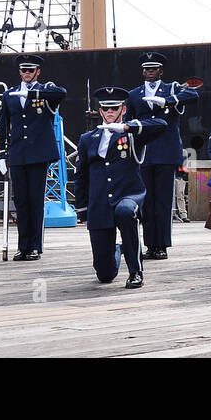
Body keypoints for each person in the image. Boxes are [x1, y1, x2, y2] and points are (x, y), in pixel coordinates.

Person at [72, 87, 167, 288]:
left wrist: (127, 127)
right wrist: (81, 208)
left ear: (123, 109)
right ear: (100, 112)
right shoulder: (88, 139)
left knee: (125, 214)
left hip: (128, 194)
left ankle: (135, 272)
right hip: (99, 201)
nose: (109, 113)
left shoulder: (132, 134)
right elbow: (81, 175)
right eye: (106, 109)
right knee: (104, 274)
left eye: (114, 108)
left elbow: (161, 125)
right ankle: (116, 250)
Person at [126, 51, 198, 260]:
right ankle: (151, 244)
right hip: (145, 153)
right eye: (146, 69)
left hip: (166, 152)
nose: (149, 72)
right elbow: (129, 121)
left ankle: (162, 245)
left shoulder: (172, 89)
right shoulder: (134, 94)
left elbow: (193, 94)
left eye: (153, 68)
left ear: (160, 70)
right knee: (147, 201)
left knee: (164, 201)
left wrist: (167, 101)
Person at [0, 54, 67, 261]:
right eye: (23, 70)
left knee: (35, 200)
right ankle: (23, 245)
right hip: (18, 154)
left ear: (38, 71)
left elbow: (61, 93)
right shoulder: (9, 94)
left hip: (38, 154)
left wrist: (32, 93)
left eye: (31, 70)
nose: (27, 74)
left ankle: (35, 245)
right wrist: (2, 153)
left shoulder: (45, 91)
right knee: (20, 201)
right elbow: (3, 126)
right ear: (19, 72)